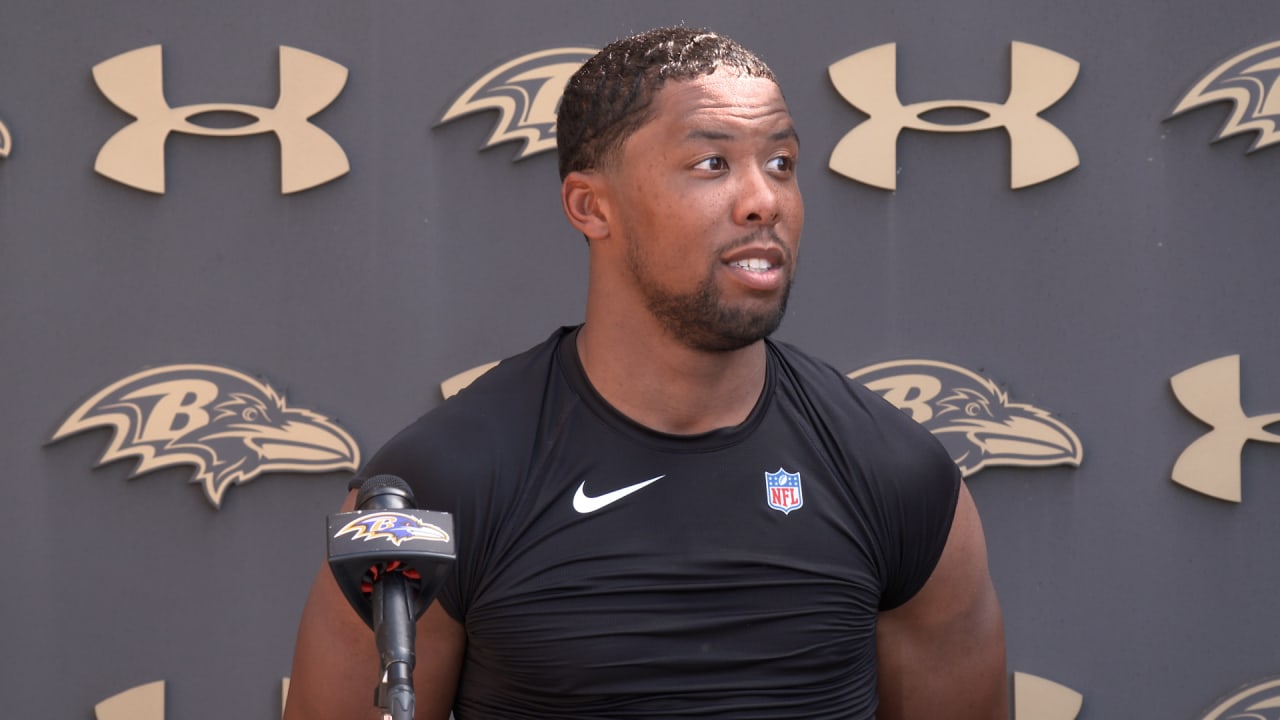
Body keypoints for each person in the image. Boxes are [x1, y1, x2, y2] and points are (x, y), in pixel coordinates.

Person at [285, 26, 1006, 720]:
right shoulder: (435, 490)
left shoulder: (899, 476)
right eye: (712, 164)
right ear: (590, 206)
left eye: (781, 163)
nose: (765, 200)